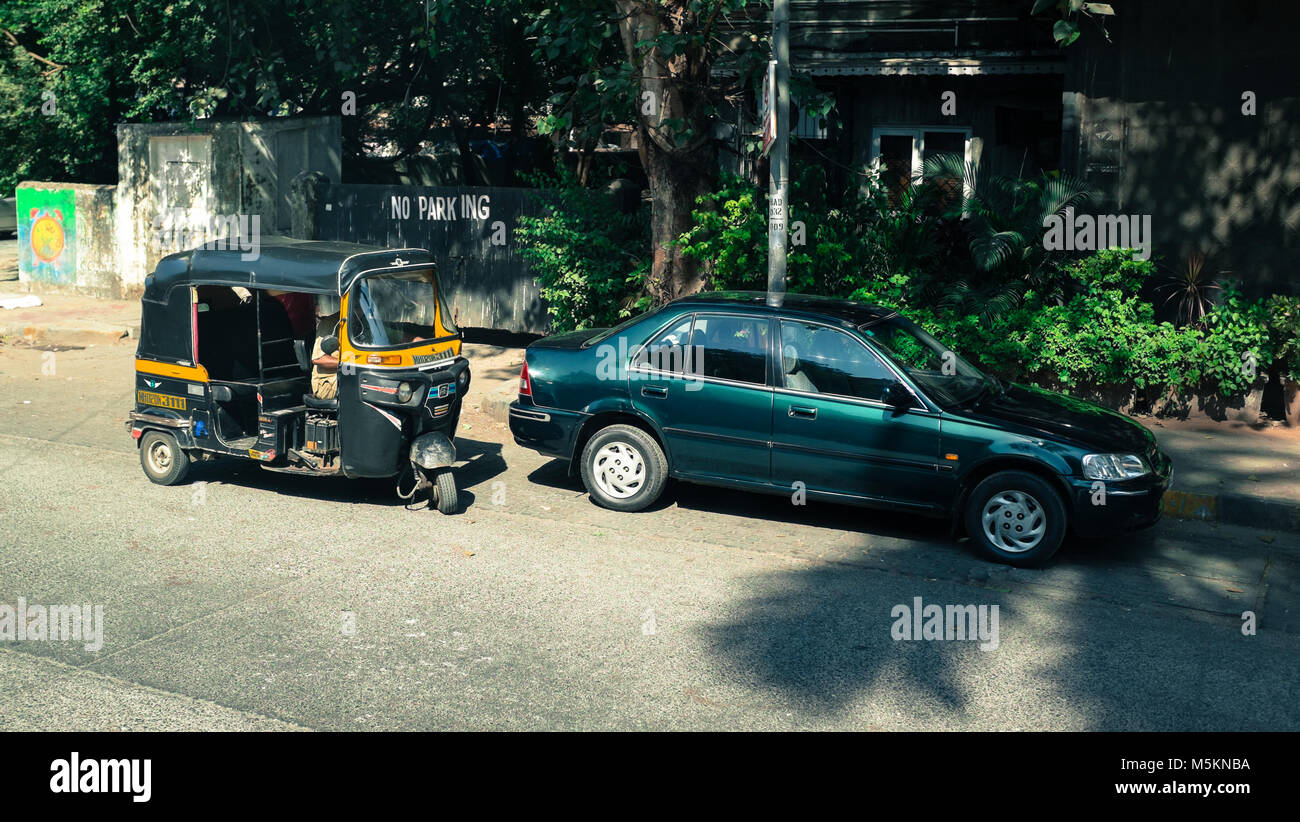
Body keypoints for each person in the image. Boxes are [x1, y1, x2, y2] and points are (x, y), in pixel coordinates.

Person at [311, 298, 341, 400]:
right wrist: (348, 365)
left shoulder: (367, 323)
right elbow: (318, 359)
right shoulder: (330, 323)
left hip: (352, 376)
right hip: (329, 384)